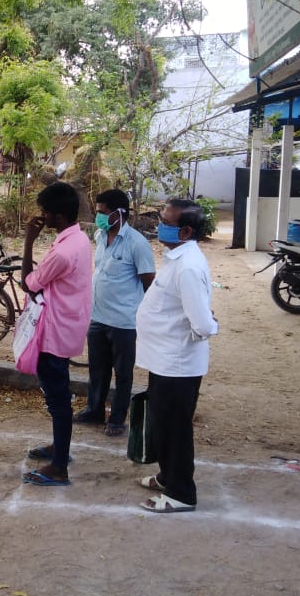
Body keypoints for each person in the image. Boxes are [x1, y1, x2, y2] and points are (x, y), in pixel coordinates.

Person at [134, 198, 218, 513]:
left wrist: (213, 326)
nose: (159, 225)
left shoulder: (188, 266)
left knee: (176, 428)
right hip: (164, 360)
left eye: (165, 221)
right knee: (163, 422)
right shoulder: (177, 257)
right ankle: (167, 474)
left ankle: (182, 492)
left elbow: (201, 322)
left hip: (178, 363)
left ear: (184, 231)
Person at [20, 181, 93, 487]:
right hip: (67, 325)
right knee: (58, 396)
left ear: (59, 216)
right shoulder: (80, 240)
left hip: (54, 332)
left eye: (46, 213)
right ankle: (58, 448)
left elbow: (29, 282)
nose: (43, 218)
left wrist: (28, 242)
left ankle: (59, 466)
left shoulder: (63, 252)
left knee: (57, 399)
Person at [75, 189, 155, 435]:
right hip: (98, 317)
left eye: (102, 212)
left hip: (123, 321)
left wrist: (140, 313)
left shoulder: (137, 243)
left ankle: (117, 418)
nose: (98, 216)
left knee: (122, 373)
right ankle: (94, 409)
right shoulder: (100, 236)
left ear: (119, 213)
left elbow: (148, 281)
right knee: (97, 370)